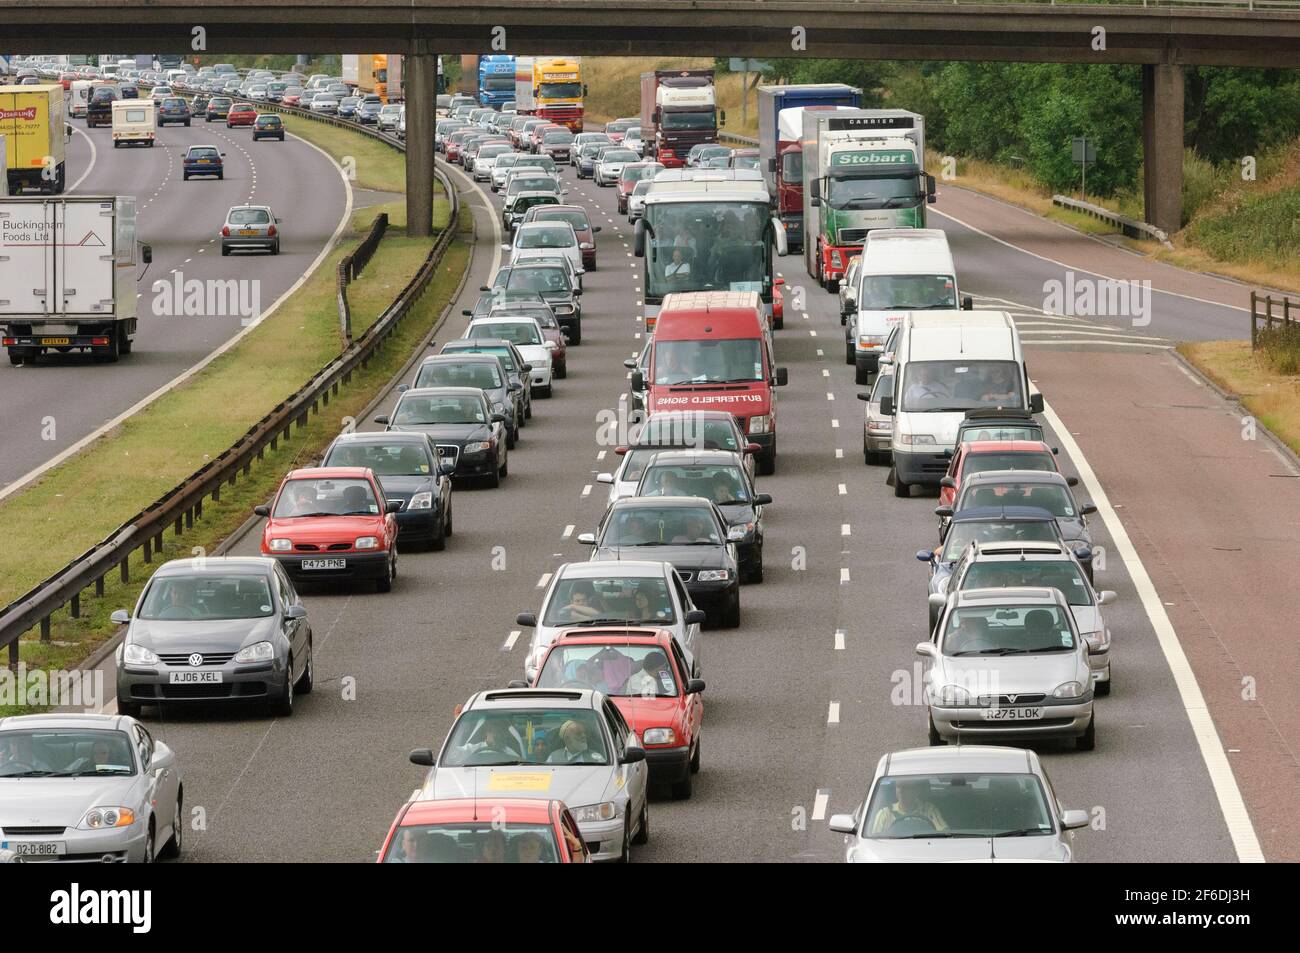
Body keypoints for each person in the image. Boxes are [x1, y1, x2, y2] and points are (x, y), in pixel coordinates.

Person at [868, 779, 949, 835]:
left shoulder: (929, 810)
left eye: (906, 787)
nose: (901, 791)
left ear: (916, 791)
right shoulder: (885, 813)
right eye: (899, 787)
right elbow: (874, 841)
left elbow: (945, 832)